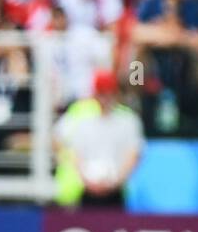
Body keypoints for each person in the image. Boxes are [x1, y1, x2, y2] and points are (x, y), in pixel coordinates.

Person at [53, 69, 143, 208]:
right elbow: (73, 153)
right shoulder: (83, 120)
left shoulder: (127, 120)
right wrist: (87, 180)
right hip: (88, 189)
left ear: (115, 94)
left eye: (108, 93)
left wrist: (116, 181)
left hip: (116, 191)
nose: (105, 99)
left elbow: (134, 154)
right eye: (101, 93)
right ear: (94, 94)